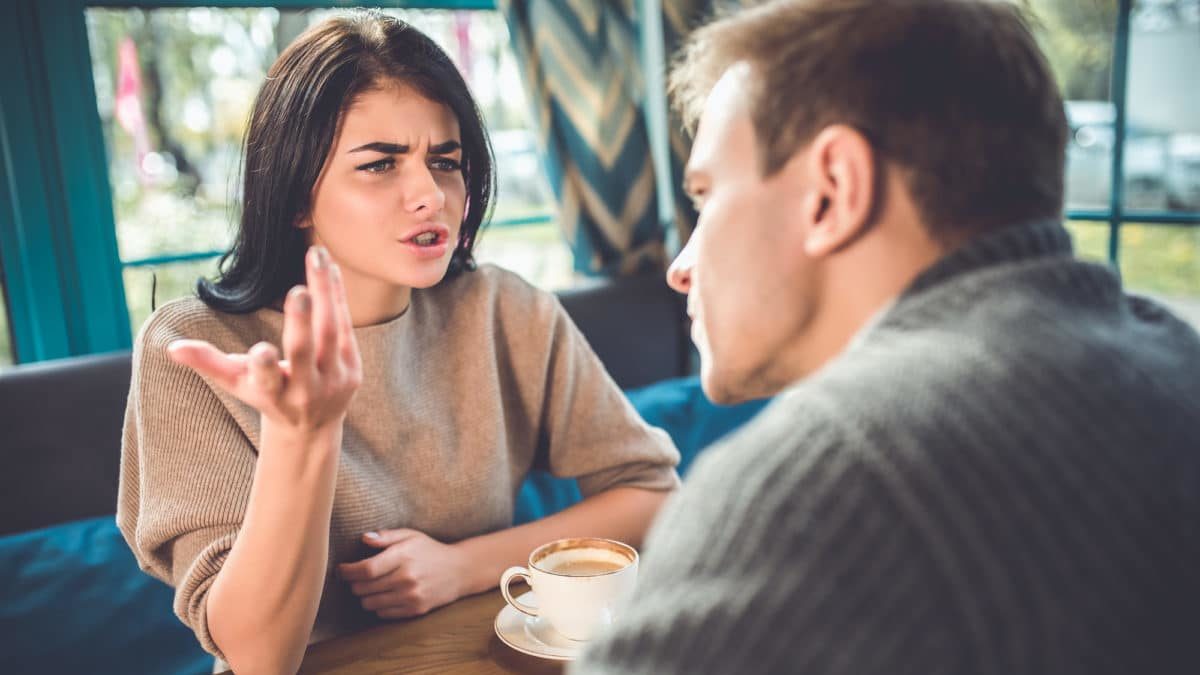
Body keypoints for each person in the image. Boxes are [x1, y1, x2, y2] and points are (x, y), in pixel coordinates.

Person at [575, 1, 1200, 673]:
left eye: (706, 198)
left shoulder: (832, 478)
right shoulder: (1170, 356)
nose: (680, 266)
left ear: (833, 190)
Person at [116, 12, 680, 674]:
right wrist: (305, 434)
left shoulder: (505, 309)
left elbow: (652, 493)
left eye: (446, 162)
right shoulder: (192, 347)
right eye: (381, 164)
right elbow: (259, 654)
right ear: (297, 194)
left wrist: (462, 566)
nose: (431, 195)